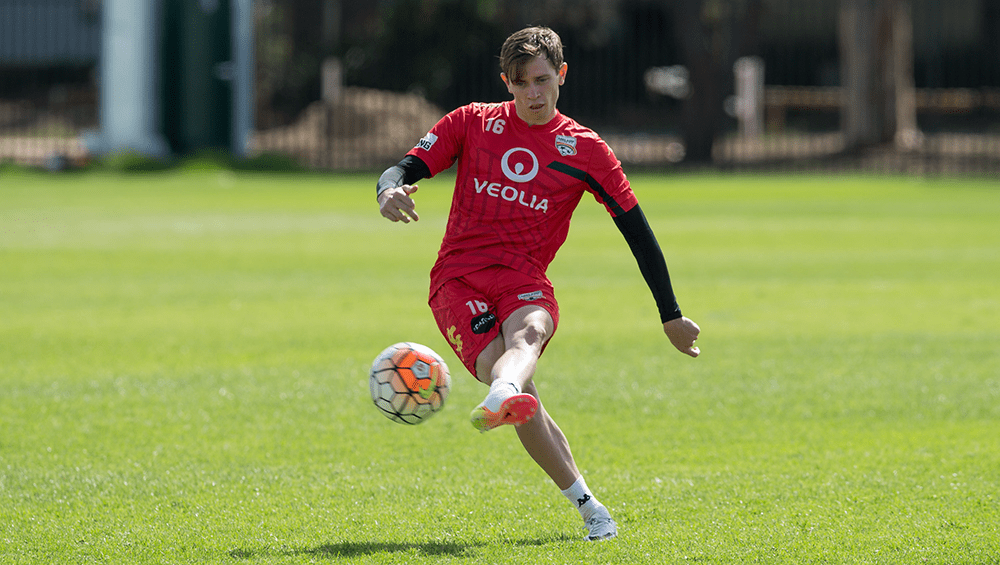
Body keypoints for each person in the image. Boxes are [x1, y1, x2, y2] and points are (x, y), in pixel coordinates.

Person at [375, 26, 701, 542]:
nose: (533, 93)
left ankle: (505, 394)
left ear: (562, 76)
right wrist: (388, 189)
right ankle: (588, 503)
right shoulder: (471, 123)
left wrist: (671, 313)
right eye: (522, 82)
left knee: (527, 336)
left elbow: (638, 232)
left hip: (524, 279)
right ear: (506, 82)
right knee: (515, 387)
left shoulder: (586, 150)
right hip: (458, 280)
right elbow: (405, 166)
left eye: (543, 80)